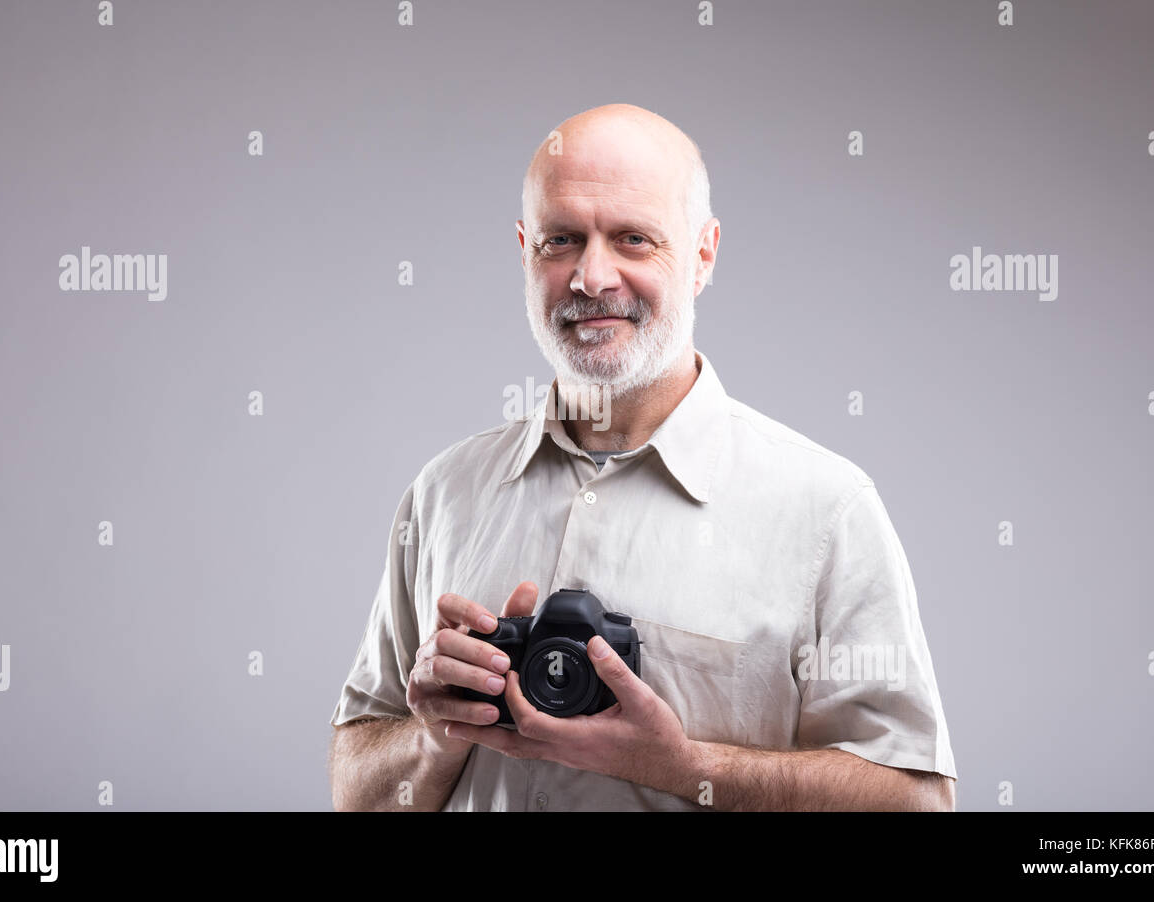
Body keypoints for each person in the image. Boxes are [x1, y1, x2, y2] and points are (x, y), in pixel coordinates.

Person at [328, 103, 957, 811]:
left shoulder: (825, 510)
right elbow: (357, 794)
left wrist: (684, 766)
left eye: (633, 239)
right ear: (523, 250)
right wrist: (437, 734)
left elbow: (918, 803)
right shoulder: (444, 494)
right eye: (560, 240)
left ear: (703, 253)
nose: (591, 277)